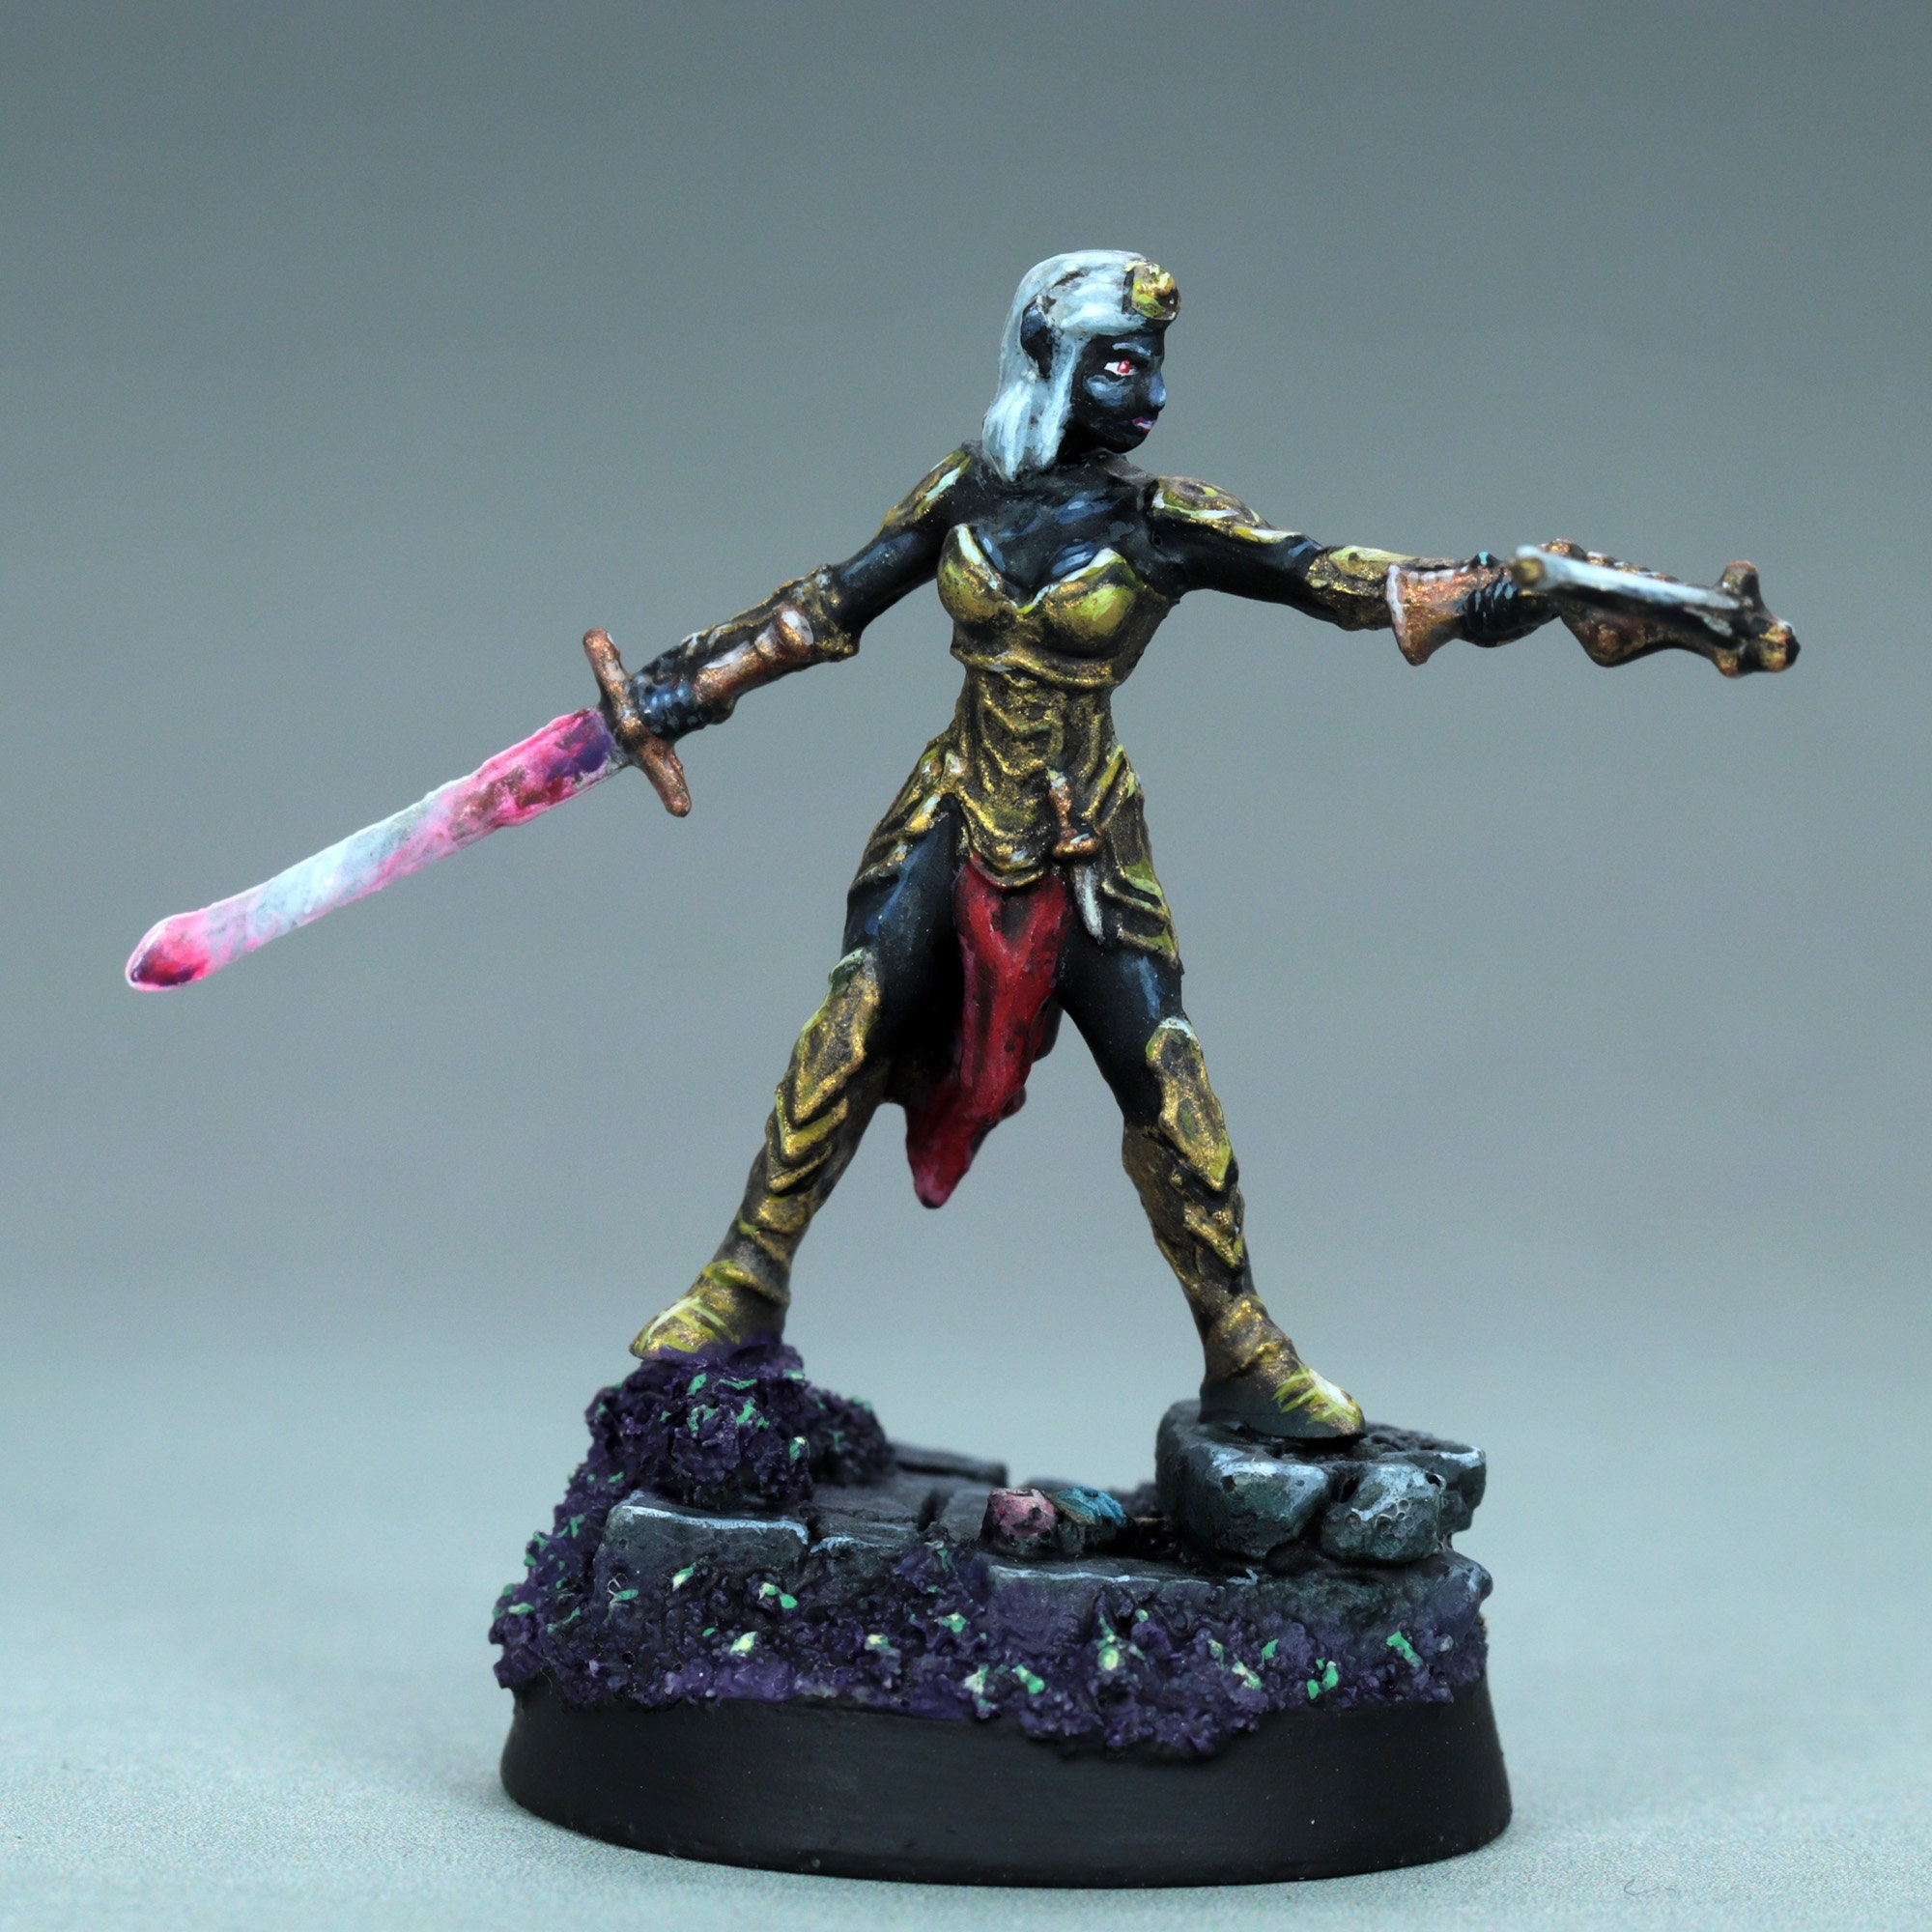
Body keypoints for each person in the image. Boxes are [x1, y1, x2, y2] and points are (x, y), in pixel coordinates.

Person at [618, 249, 1774, 1437]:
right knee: (848, 1025)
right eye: (1123, 364)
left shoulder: (1160, 523)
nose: (1153, 393)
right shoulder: (965, 493)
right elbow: (826, 605)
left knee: (1165, 1079)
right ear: (1048, 358)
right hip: (953, 808)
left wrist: (1505, 591)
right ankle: (741, 1280)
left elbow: (1333, 578)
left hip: (1085, 842)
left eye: (1156, 364)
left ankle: (1243, 1346)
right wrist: (683, 693)